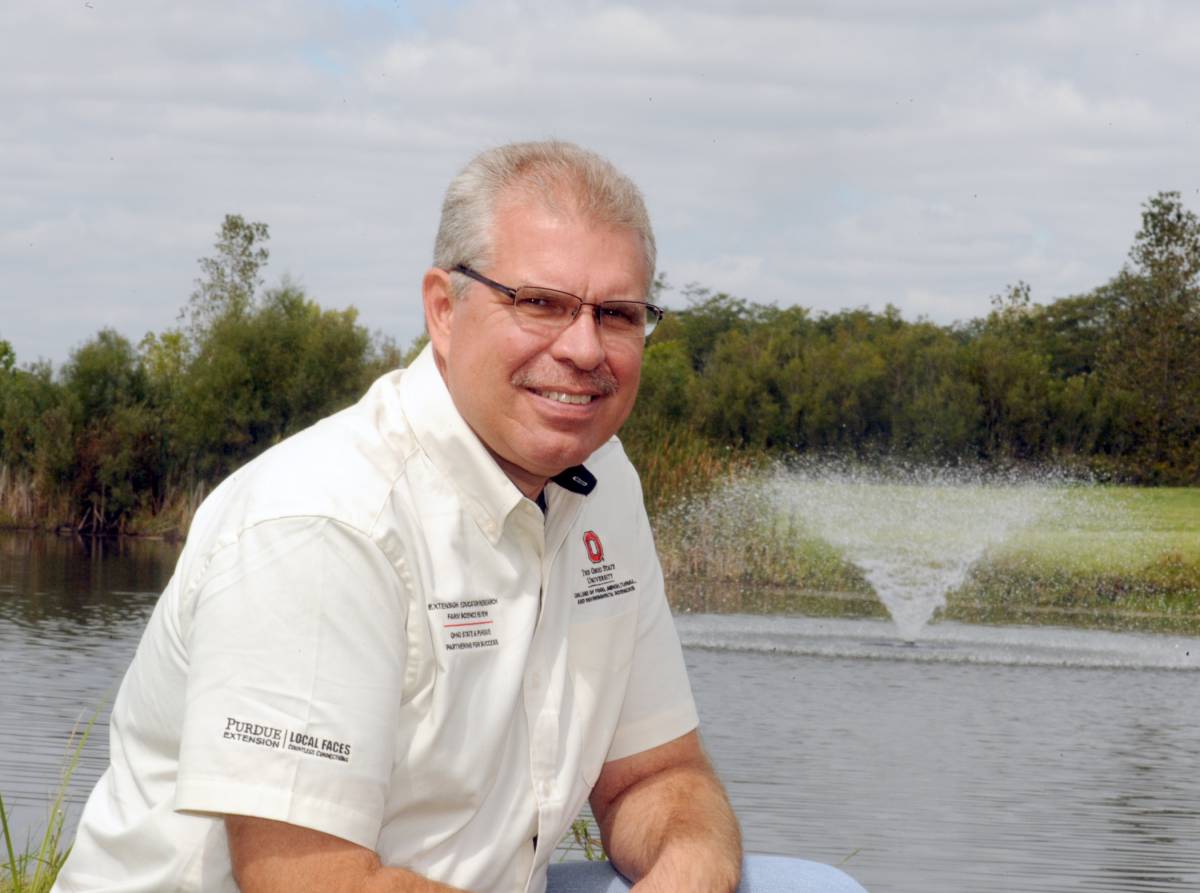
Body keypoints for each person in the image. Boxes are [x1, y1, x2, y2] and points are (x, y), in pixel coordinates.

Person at [54, 141, 867, 893]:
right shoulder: (324, 521)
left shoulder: (602, 481)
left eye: (617, 313)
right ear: (443, 309)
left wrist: (687, 868)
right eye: (541, 302)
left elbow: (656, 777)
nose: (584, 349)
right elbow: (311, 879)